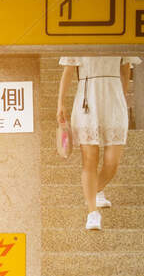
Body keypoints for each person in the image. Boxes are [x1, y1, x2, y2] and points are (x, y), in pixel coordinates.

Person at [56, 53, 139, 231]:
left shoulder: (122, 39)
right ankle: (92, 212)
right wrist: (60, 104)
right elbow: (68, 71)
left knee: (112, 163)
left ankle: (95, 190)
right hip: (87, 100)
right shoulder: (78, 40)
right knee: (89, 159)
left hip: (114, 102)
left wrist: (121, 101)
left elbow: (125, 71)